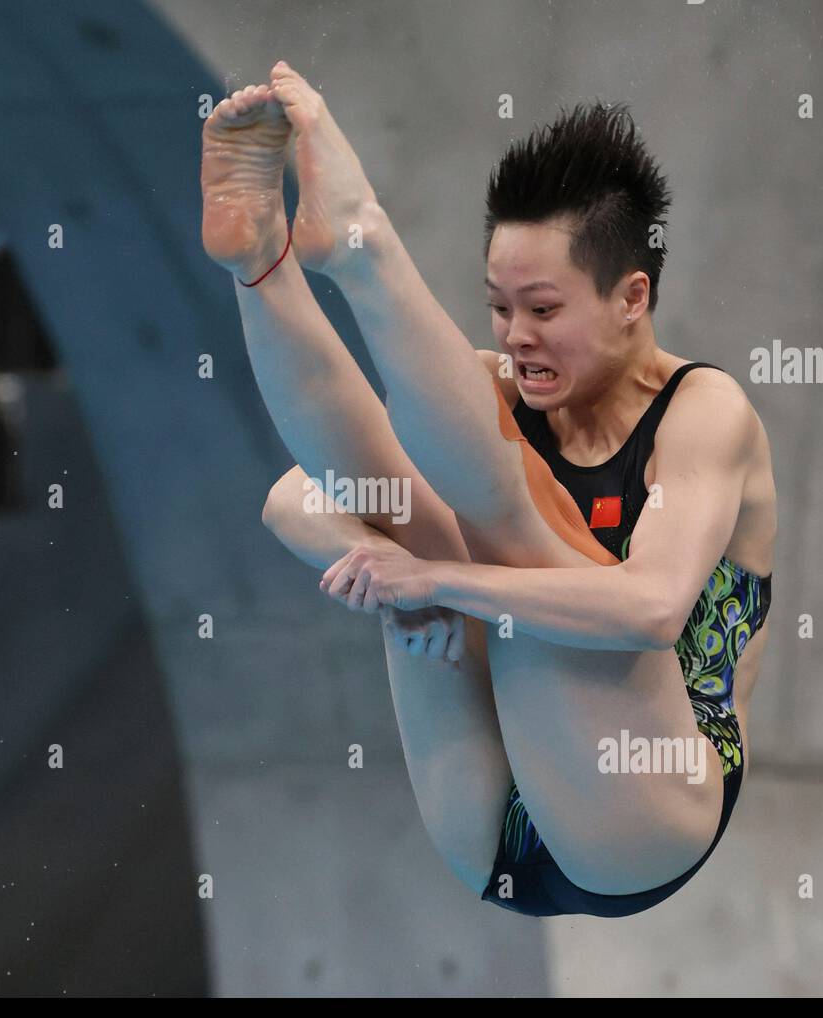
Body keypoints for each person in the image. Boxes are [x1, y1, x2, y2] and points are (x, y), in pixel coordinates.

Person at [200, 61, 776, 917]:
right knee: (412, 506)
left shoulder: (703, 413)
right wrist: (397, 581)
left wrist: (437, 582)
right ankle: (261, 268)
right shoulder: (484, 395)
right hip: (493, 837)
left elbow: (653, 608)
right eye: (500, 307)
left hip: (646, 808)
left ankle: (366, 245)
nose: (516, 337)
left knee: (500, 515)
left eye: (543, 310)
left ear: (631, 297)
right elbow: (294, 500)